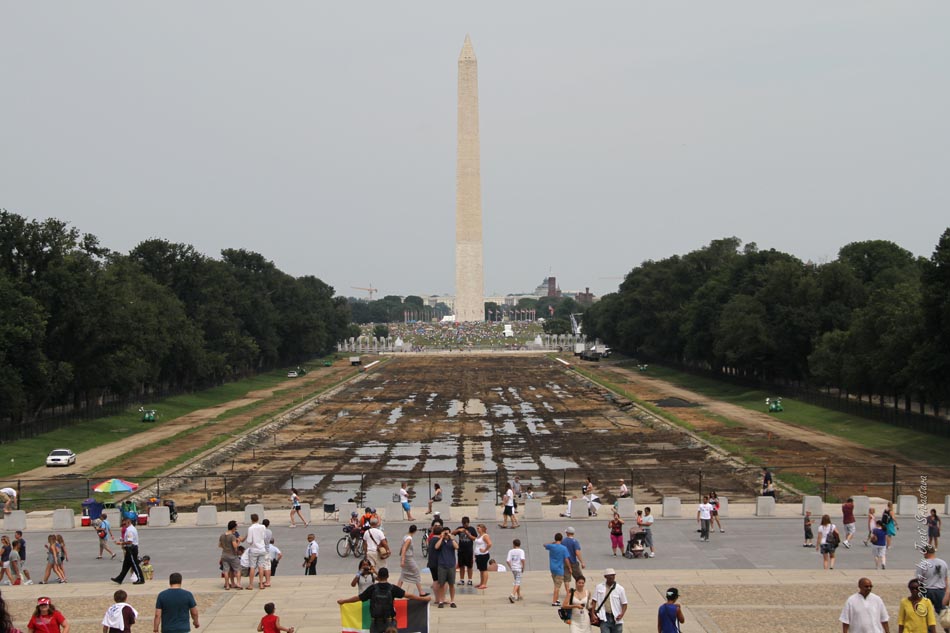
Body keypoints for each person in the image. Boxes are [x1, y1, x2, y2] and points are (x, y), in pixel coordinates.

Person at [337, 566, 430, 633]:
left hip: (375, 622)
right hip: (389, 622)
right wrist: (423, 599)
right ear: (387, 576)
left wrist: (344, 601)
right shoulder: (392, 588)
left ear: (379, 577)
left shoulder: (372, 588)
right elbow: (409, 595)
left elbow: (358, 598)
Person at [916, 545, 949, 627]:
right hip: (940, 591)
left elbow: (919, 580)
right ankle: (947, 628)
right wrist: (947, 591)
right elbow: (946, 579)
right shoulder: (943, 563)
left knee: (925, 613)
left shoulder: (923, 564)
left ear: (926, 553)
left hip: (927, 590)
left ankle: (929, 630)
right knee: (943, 613)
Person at [592, 569, 628, 633]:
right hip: (604, 617)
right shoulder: (599, 587)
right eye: (609, 576)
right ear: (605, 577)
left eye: (613, 575)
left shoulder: (620, 589)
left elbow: (624, 604)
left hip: (616, 617)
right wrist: (592, 614)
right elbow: (594, 601)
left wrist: (622, 614)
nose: (611, 577)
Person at [112, 518, 144, 585]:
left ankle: (141, 579)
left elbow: (130, 541)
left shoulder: (130, 530)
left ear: (128, 522)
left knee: (134, 564)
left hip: (131, 549)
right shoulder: (131, 528)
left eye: (124, 524)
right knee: (126, 565)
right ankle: (120, 578)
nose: (123, 525)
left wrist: (120, 543)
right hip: (130, 549)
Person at [434, 523, 459, 607]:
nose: (446, 535)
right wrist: (441, 538)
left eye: (447, 533)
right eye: (445, 533)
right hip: (442, 565)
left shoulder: (452, 541)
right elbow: (436, 547)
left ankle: (452, 601)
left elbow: (457, 547)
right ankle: (441, 600)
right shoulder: (440, 542)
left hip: (451, 565)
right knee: (441, 584)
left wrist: (451, 538)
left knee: (451, 584)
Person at [545, 532, 572, 607]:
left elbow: (544, 545)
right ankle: (554, 601)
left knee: (556, 584)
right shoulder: (564, 548)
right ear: (562, 539)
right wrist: (569, 568)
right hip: (559, 569)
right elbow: (566, 559)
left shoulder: (551, 546)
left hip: (552, 568)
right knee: (557, 587)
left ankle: (556, 599)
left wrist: (553, 542)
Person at [398, 525, 425, 597]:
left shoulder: (405, 536)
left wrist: (401, 555)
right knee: (416, 572)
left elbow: (402, 547)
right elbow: (404, 548)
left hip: (406, 557)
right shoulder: (409, 539)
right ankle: (421, 591)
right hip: (408, 558)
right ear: (415, 531)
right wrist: (403, 560)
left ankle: (398, 588)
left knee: (403, 573)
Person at [245, 513, 269, 590]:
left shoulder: (251, 528)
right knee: (261, 567)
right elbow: (264, 537)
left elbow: (249, 540)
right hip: (262, 548)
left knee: (252, 567)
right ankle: (261, 583)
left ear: (251, 520)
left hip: (254, 549)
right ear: (258, 519)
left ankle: (251, 584)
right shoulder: (263, 527)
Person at [453, 517, 477, 586]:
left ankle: (470, 579)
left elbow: (475, 538)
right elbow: (452, 533)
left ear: (468, 523)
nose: (465, 525)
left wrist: (468, 534)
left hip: (469, 550)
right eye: (464, 524)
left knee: (469, 566)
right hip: (461, 550)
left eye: (466, 524)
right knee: (461, 565)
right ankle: (462, 579)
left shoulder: (471, 529)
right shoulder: (460, 528)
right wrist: (459, 530)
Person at [219, 520, 242, 590]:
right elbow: (235, 546)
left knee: (226, 570)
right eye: (235, 528)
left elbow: (220, 545)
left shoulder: (222, 535)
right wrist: (238, 542)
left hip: (224, 554)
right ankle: (238, 583)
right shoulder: (232, 536)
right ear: (233, 528)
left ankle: (227, 585)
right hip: (232, 555)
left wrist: (226, 548)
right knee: (238, 569)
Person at [506, 538, 526, 603]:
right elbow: (522, 559)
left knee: (517, 581)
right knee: (517, 582)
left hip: (513, 568)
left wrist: (511, 566)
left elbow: (507, 561)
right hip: (518, 568)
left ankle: (519, 595)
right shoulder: (521, 551)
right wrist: (523, 566)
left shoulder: (510, 551)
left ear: (513, 544)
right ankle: (512, 595)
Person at [473, 523, 492, 590]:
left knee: (484, 569)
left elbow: (489, 544)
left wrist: (484, 550)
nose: (477, 529)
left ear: (482, 528)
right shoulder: (479, 536)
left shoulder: (485, 536)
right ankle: (481, 583)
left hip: (483, 555)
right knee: (481, 570)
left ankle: (484, 583)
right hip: (478, 555)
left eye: (478, 528)